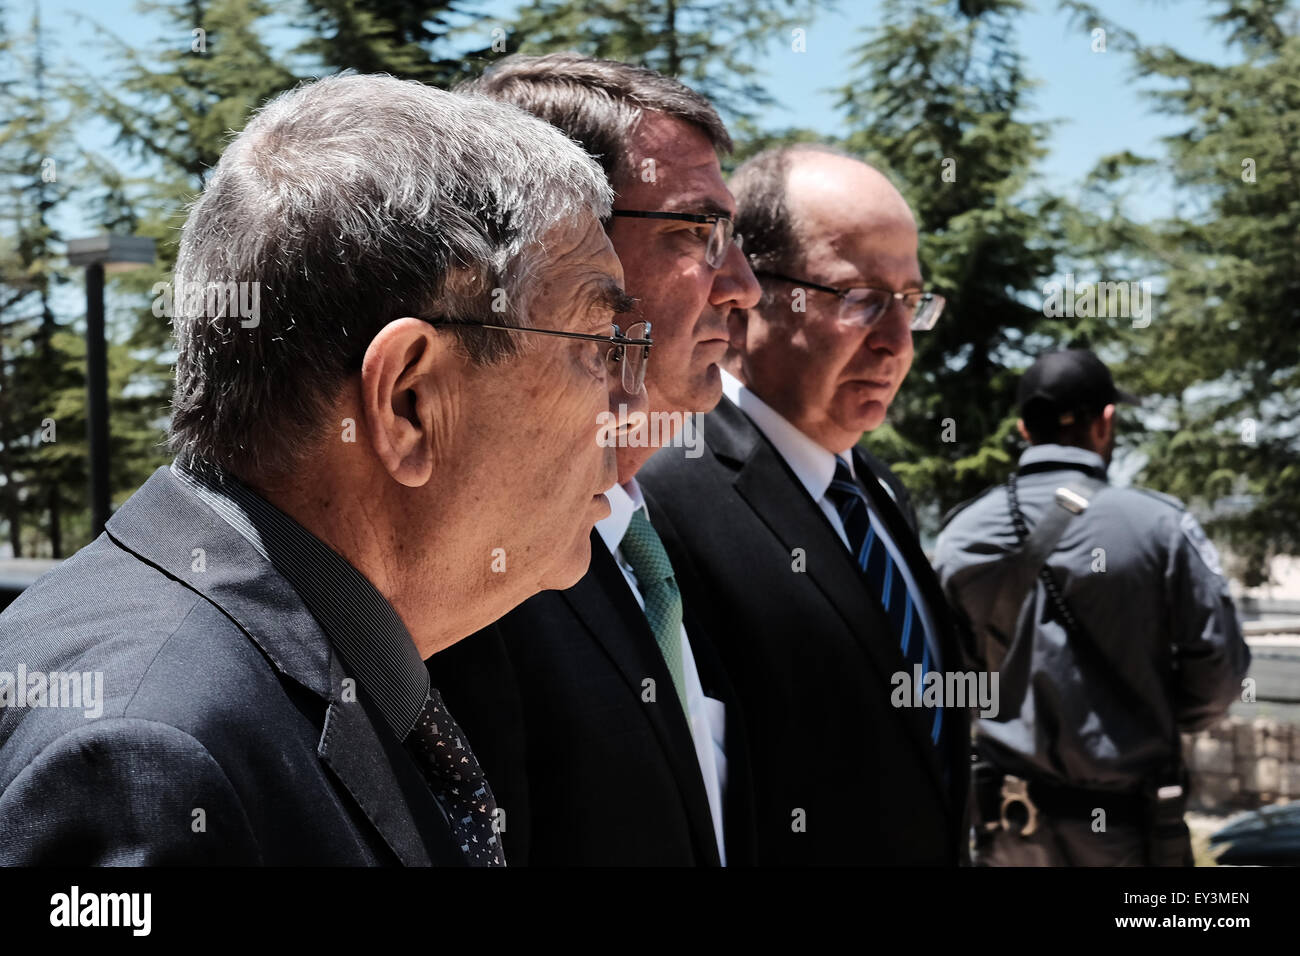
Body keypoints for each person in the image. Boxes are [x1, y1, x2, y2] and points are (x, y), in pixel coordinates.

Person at [0, 73, 645, 865]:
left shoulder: (254, 671)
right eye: (598, 348)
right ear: (410, 402)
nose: (627, 407)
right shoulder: (154, 762)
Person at [428, 53, 762, 865]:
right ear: (566, 243)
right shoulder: (470, 584)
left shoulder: (654, 547)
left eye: (737, 236)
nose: (746, 285)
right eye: (696, 231)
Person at [640, 144, 970, 865]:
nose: (896, 342)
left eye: (912, 303)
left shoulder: (876, 492)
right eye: (858, 299)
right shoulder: (659, 494)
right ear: (749, 289)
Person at [933, 348, 1251, 866]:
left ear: (1023, 428)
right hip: (1127, 829)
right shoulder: (1160, 526)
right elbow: (1218, 675)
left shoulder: (960, 534)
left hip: (1008, 827)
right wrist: (1150, 716)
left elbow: (948, 681)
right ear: (1106, 422)